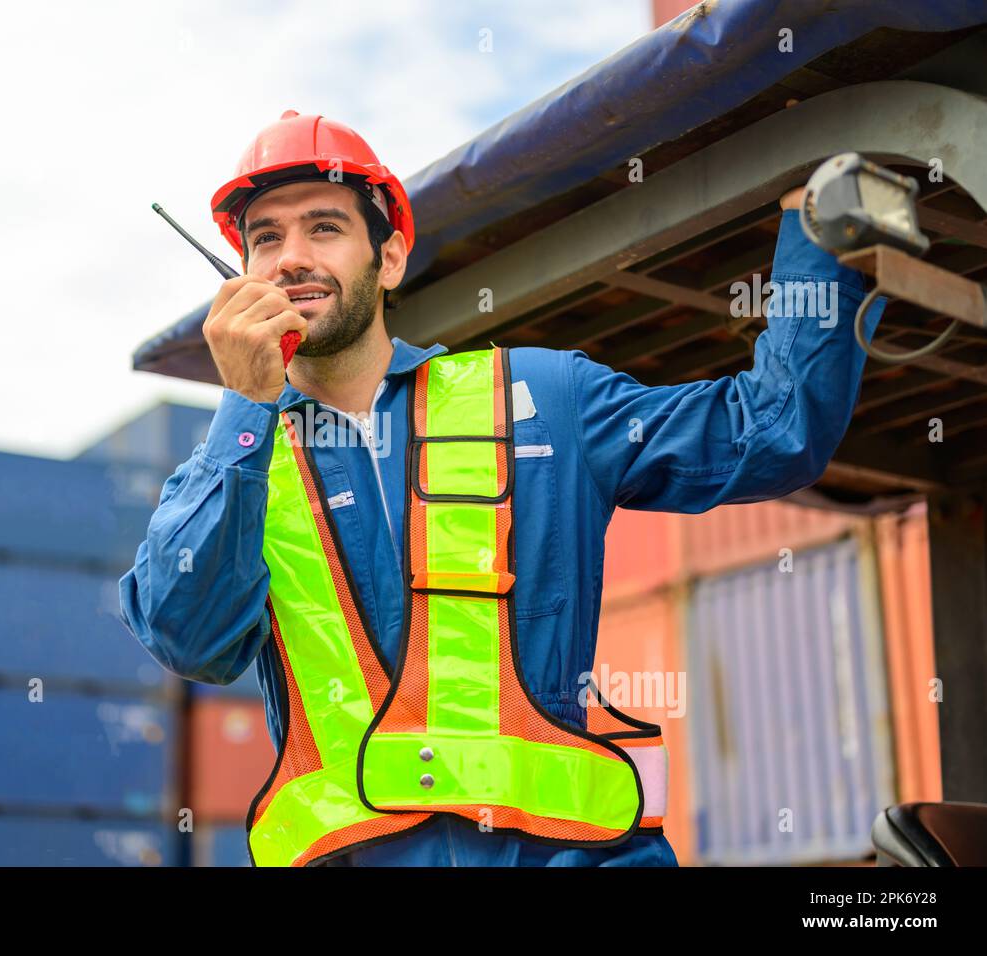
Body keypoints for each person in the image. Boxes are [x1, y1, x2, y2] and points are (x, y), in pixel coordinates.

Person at [119, 111, 885, 866]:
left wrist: (816, 231)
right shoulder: (233, 469)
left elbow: (773, 433)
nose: (289, 258)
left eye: (323, 228)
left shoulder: (546, 398)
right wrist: (246, 406)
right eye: (265, 240)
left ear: (387, 259)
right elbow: (191, 641)